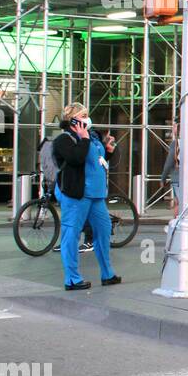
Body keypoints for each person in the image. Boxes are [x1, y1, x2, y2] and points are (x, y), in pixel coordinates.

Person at [50, 104, 120, 290]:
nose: (87, 118)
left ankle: (108, 274)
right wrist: (83, 139)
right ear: (72, 119)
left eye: (87, 115)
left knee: (104, 232)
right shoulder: (64, 140)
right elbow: (76, 158)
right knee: (71, 234)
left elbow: (98, 161)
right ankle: (72, 278)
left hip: (96, 195)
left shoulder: (92, 136)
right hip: (76, 195)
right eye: (82, 115)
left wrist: (109, 151)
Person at [161, 125, 181, 218]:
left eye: (175, 127)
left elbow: (169, 161)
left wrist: (163, 178)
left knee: (179, 202)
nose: (173, 129)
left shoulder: (176, 143)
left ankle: (176, 222)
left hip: (177, 177)